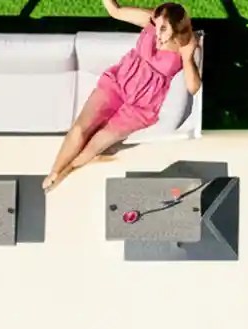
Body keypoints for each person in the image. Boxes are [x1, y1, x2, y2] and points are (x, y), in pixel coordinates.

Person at [43, 1, 202, 192]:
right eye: (156, 25)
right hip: (118, 83)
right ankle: (54, 170)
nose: (157, 34)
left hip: (141, 106)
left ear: (177, 29)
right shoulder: (151, 21)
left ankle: (67, 170)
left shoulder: (187, 46)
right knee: (80, 129)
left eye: (163, 29)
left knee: (96, 143)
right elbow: (115, 11)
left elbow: (193, 87)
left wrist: (187, 59)